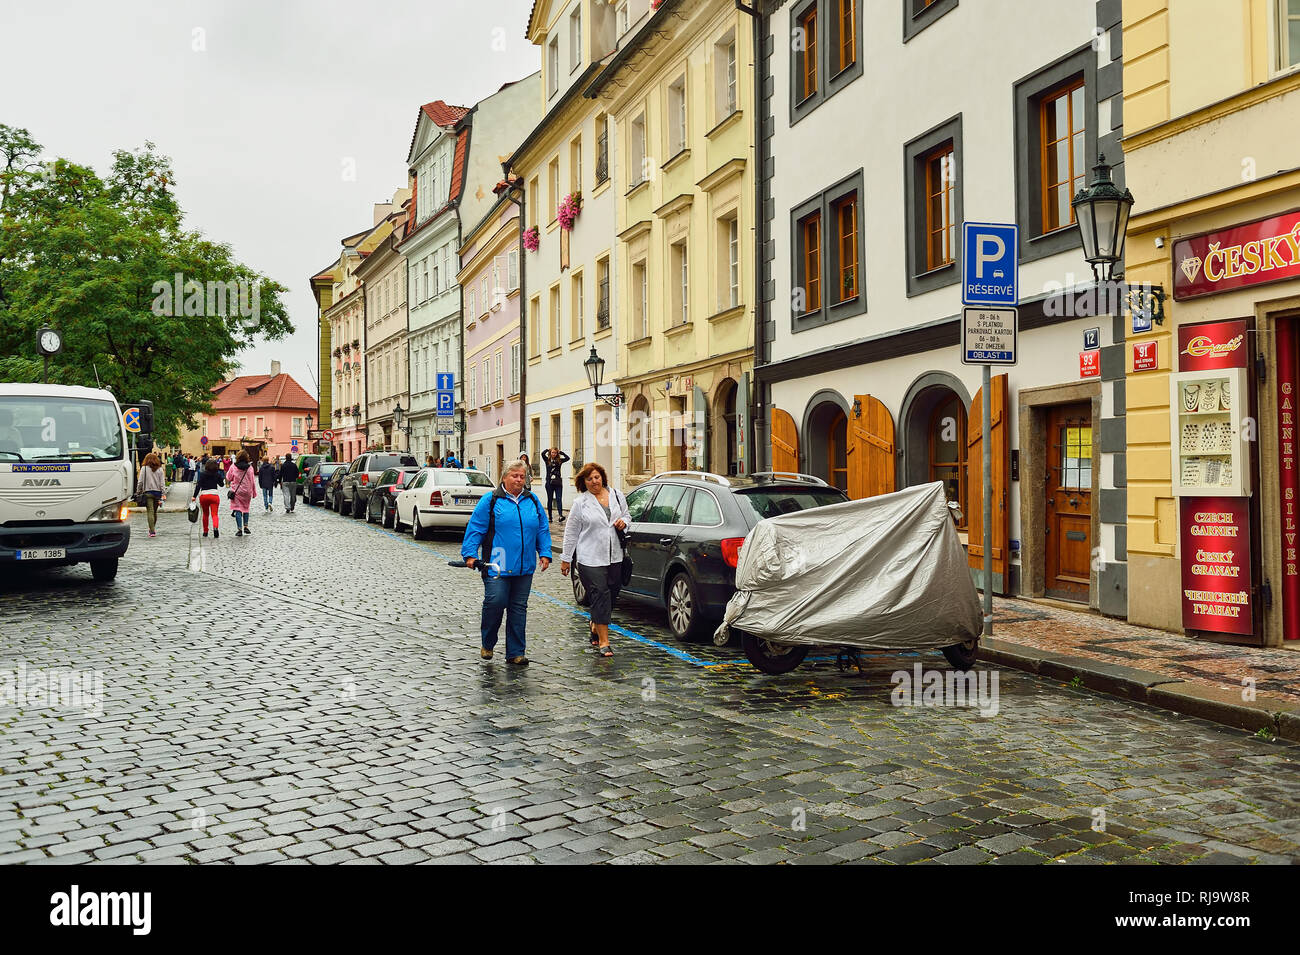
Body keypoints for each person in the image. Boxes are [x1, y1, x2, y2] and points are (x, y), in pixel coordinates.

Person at [461, 459, 552, 666]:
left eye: (522, 476)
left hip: (524, 565)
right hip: (497, 564)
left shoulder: (533, 501)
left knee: (518, 608)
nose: (519, 480)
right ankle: (488, 642)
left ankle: (516, 652)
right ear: (504, 477)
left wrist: (544, 552)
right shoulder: (491, 500)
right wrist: (470, 555)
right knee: (496, 602)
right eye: (515, 476)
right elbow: (476, 528)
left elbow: (542, 529)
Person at [561, 463, 631, 657]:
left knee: (612, 593)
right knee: (600, 593)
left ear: (603, 478)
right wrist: (566, 559)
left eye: (597, 477)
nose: (594, 481)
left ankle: (594, 624)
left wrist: (623, 522)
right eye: (589, 479)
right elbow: (571, 532)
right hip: (589, 557)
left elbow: (627, 516)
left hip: (614, 555)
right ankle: (604, 642)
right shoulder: (580, 503)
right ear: (584, 482)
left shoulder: (617, 495)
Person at [192, 457, 226, 538]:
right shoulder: (217, 474)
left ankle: (205, 531)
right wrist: (220, 477)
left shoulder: (203, 474)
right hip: (214, 495)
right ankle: (215, 528)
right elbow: (222, 484)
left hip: (204, 495)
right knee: (214, 514)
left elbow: (198, 485)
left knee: (205, 514)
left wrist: (194, 496)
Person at [136, 451, 166, 538]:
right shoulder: (160, 469)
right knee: (154, 512)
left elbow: (140, 481)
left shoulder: (144, 469)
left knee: (150, 511)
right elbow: (162, 483)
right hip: (157, 493)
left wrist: (138, 491)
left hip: (148, 492)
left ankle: (152, 530)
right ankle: (152, 529)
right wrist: (163, 493)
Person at [542, 447, 571, 523]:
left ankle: (560, 515)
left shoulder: (559, 461)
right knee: (550, 499)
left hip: (558, 483)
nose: (554, 454)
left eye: (555, 453)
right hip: (549, 483)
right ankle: (550, 517)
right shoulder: (547, 460)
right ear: (550, 453)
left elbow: (568, 458)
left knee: (559, 498)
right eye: (552, 452)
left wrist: (561, 453)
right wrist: (547, 450)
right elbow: (542, 454)